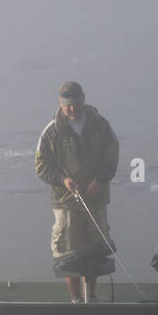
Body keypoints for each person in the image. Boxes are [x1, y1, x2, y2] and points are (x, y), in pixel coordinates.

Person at [35, 81, 119, 302]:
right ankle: (76, 300)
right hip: (66, 201)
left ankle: (90, 297)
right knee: (69, 253)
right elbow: (41, 166)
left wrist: (99, 181)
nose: (71, 108)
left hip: (95, 197)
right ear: (60, 104)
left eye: (74, 103)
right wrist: (64, 180)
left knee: (95, 249)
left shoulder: (101, 125)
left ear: (83, 99)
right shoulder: (51, 130)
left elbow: (112, 155)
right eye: (67, 105)